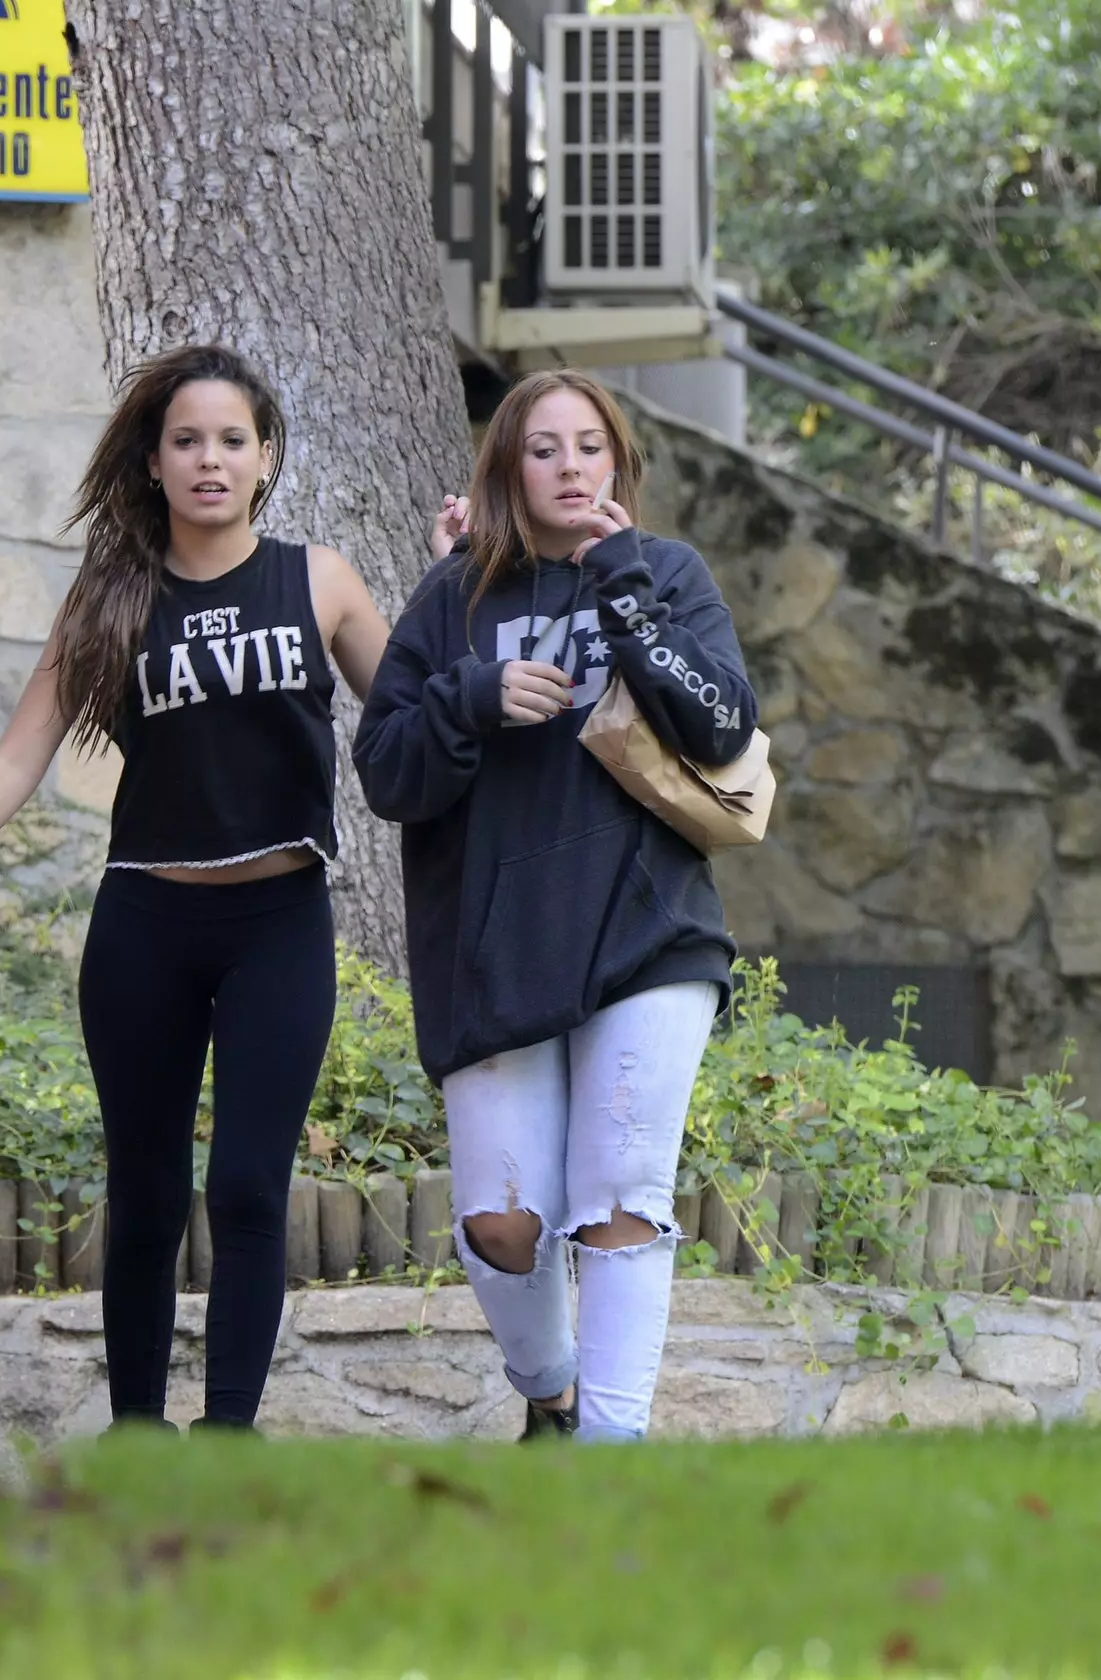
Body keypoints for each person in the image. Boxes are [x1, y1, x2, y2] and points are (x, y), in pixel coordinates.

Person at [0, 345, 389, 1433]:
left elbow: (411, 724)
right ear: (153, 463)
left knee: (249, 1186)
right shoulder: (112, 597)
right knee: (146, 1190)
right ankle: (140, 1434)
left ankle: (229, 1436)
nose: (210, 460)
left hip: (277, 924)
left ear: (264, 458)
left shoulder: (321, 580)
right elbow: (21, 751)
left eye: (231, 441)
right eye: (186, 441)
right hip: (145, 924)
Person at [353, 369, 757, 1444]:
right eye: (544, 449)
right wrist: (470, 698)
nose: (571, 466)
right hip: (494, 945)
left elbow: (720, 726)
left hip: (647, 931)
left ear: (617, 462)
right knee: (500, 1220)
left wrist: (624, 593)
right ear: (508, 469)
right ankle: (554, 1394)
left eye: (590, 446)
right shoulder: (457, 598)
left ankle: (612, 1451)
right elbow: (386, 772)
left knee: (623, 1189)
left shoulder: (664, 571)